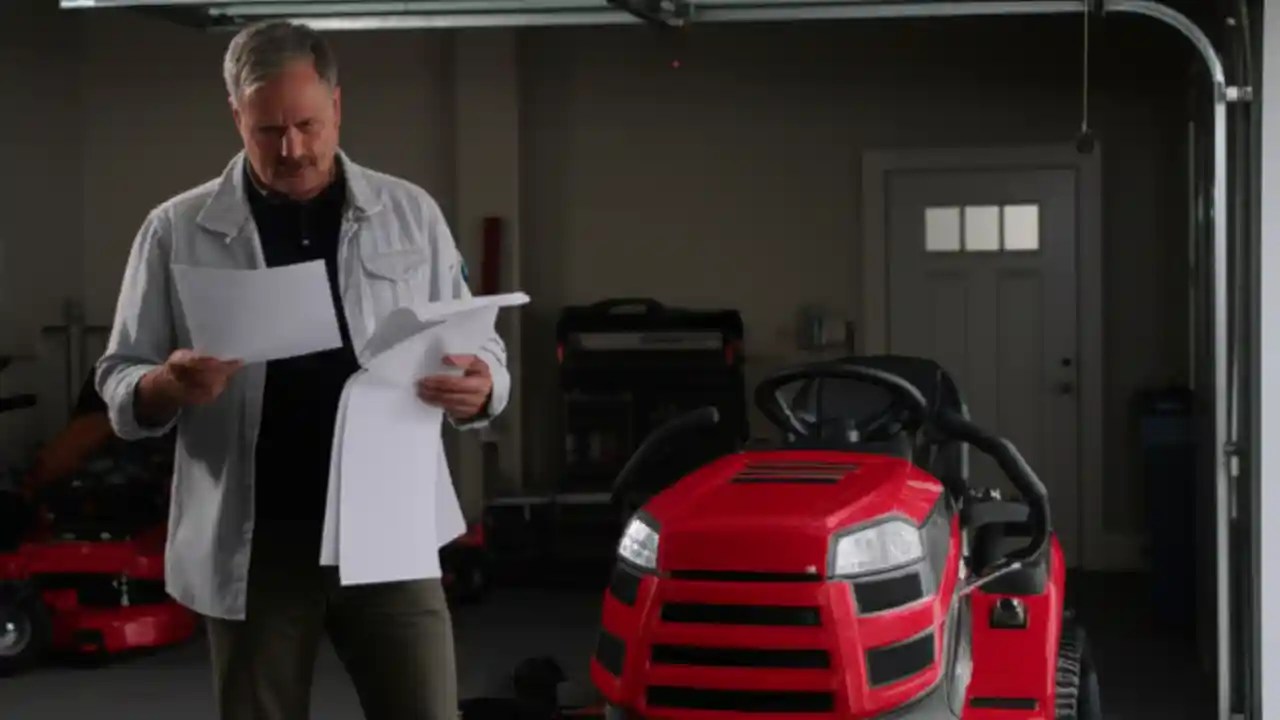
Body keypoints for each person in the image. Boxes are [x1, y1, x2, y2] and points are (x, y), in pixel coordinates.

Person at [94, 20, 509, 720]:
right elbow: (117, 378)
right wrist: (165, 385)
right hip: (257, 546)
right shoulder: (176, 229)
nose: (292, 149)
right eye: (267, 132)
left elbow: (483, 344)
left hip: (389, 533)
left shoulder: (409, 215)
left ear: (338, 106)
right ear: (236, 116)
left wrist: (484, 387)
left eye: (308, 124)